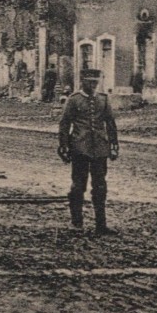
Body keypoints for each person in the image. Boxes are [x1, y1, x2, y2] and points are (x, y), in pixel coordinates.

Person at [58, 68, 120, 235]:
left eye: (95, 82)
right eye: (89, 82)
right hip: (80, 148)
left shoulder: (103, 99)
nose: (92, 85)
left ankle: (101, 225)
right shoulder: (73, 100)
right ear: (82, 82)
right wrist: (63, 146)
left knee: (100, 186)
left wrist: (113, 145)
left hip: (100, 149)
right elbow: (64, 124)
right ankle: (76, 222)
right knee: (78, 186)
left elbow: (111, 124)